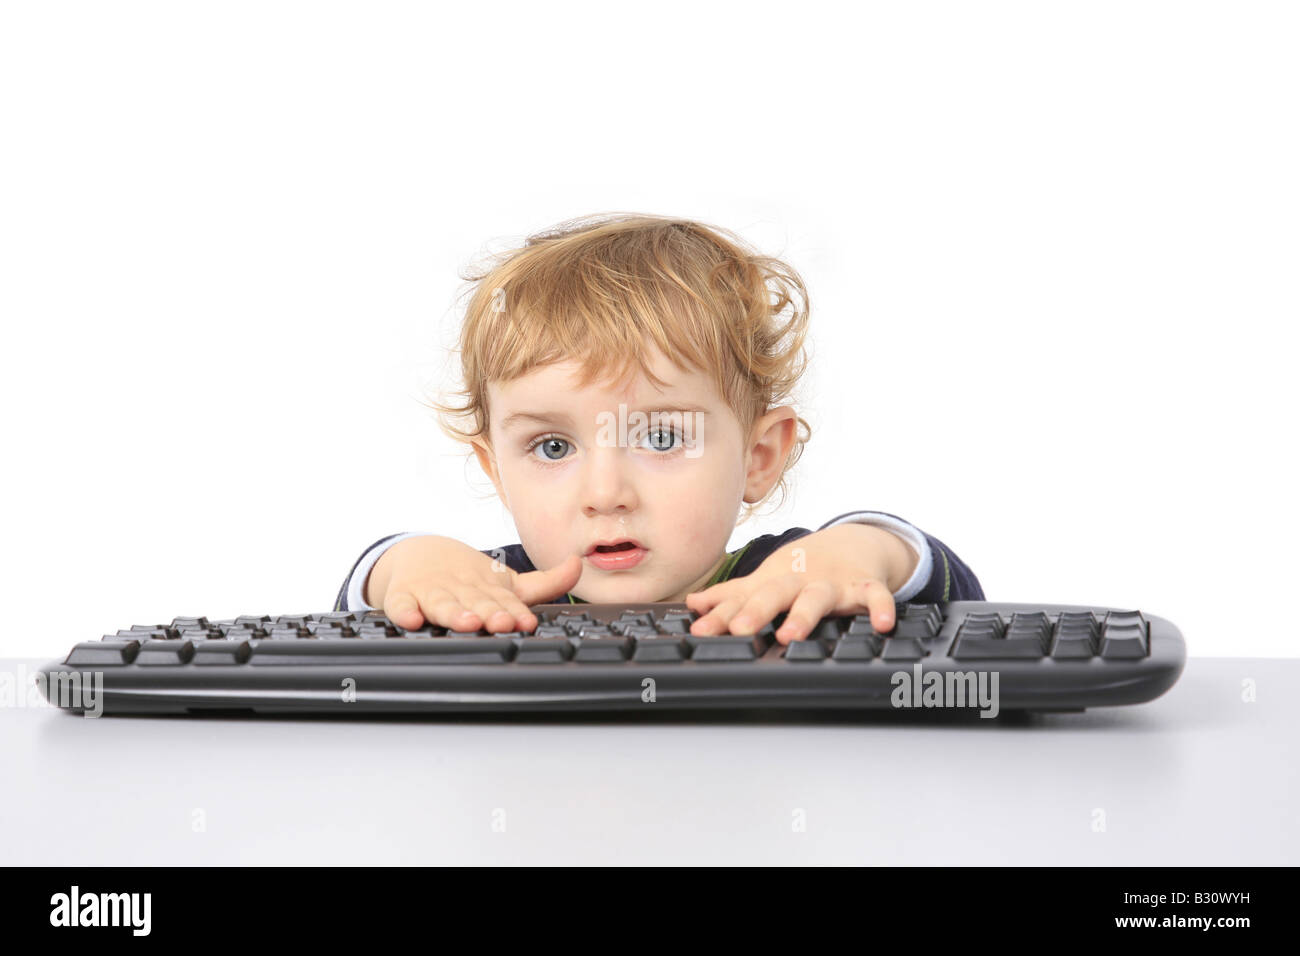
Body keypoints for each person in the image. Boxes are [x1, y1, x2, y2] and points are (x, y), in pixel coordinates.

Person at [335, 213, 983, 645]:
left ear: (759, 457)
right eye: (553, 446)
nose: (605, 493)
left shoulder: (782, 584)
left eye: (663, 439)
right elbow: (361, 610)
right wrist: (407, 564)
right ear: (496, 471)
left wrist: (864, 551)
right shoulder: (496, 594)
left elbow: (950, 598)